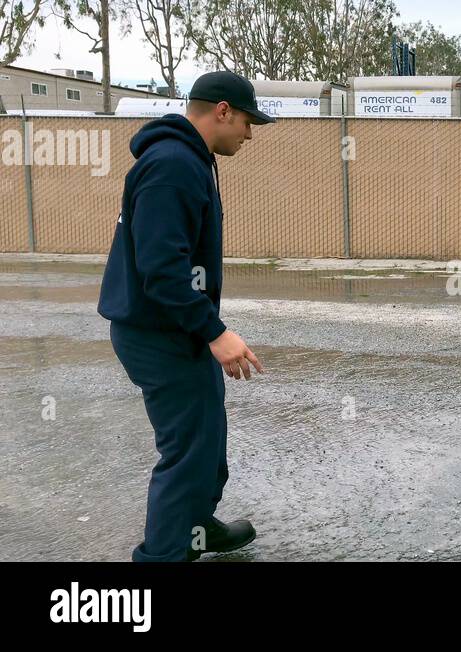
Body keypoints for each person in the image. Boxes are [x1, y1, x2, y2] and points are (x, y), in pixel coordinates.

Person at [98, 71, 276, 561]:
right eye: (245, 120)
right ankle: (163, 555)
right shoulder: (173, 164)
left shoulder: (191, 159)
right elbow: (161, 268)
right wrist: (215, 332)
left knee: (206, 436)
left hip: (176, 327)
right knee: (187, 452)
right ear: (222, 110)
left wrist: (205, 330)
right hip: (156, 332)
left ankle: (195, 526)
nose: (249, 132)